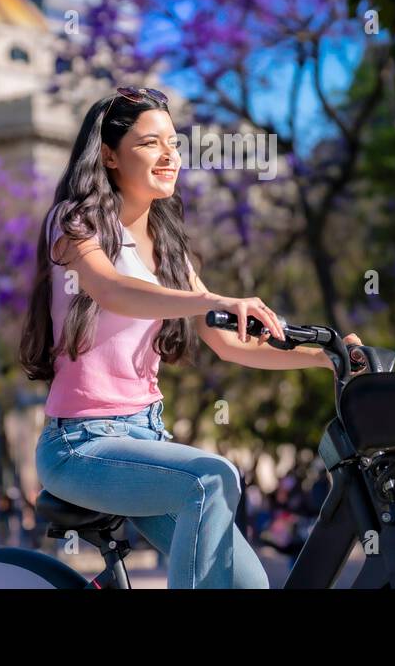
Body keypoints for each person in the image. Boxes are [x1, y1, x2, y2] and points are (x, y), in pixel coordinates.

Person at [22, 88, 365, 589]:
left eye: (174, 143)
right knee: (214, 476)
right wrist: (211, 301)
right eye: (149, 143)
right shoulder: (76, 222)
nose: (169, 155)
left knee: (249, 585)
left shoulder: (169, 248)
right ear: (110, 156)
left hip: (147, 438)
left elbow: (229, 342)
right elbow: (114, 290)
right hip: (81, 446)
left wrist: (328, 357)